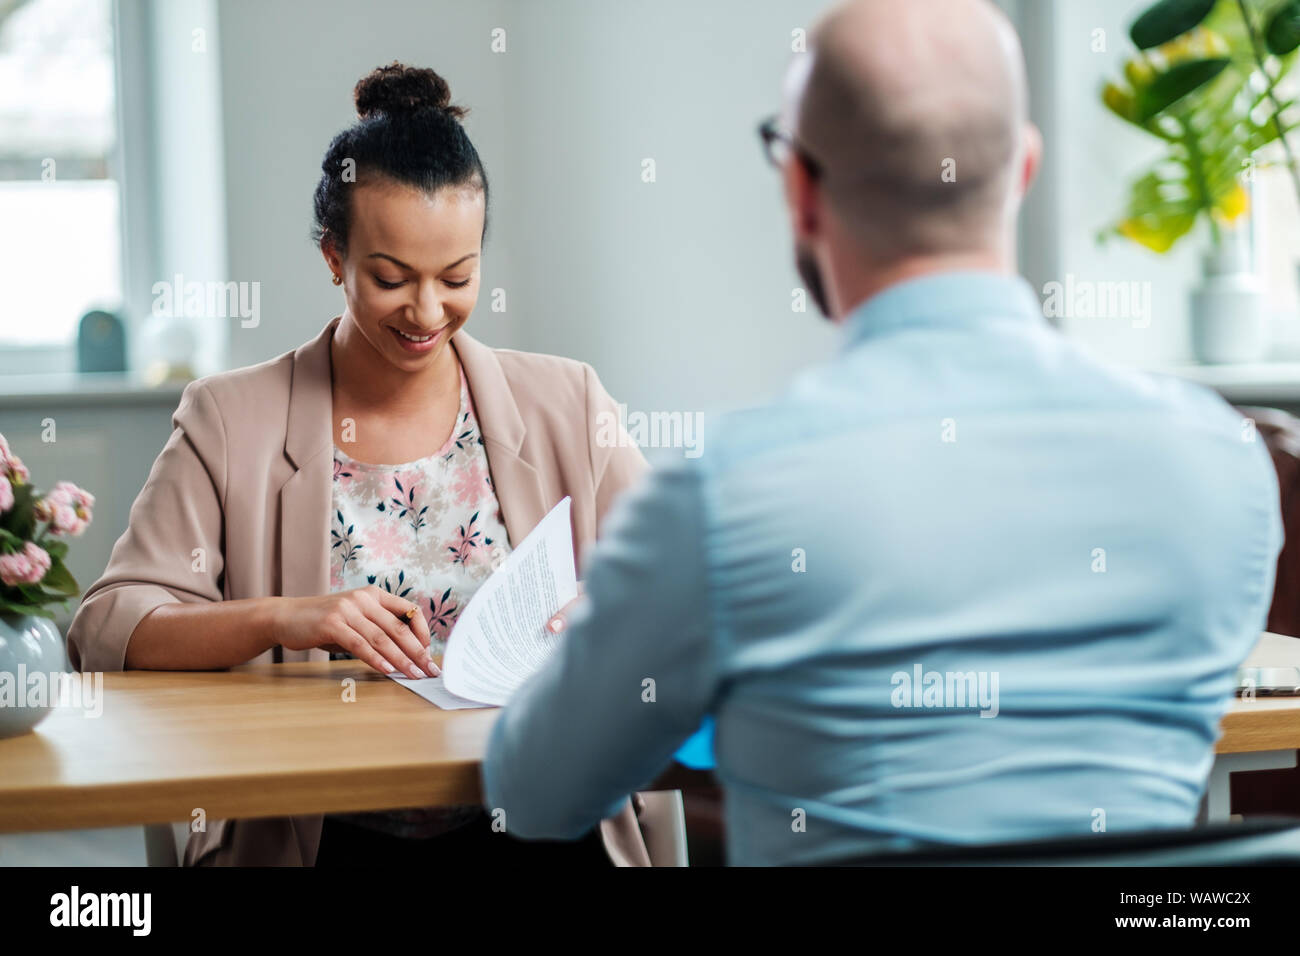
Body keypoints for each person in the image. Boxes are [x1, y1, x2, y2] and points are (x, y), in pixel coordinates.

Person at [481, 0, 1283, 865]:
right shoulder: (1225, 468)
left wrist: (644, 638)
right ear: (1023, 169)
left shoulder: (721, 500)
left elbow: (534, 796)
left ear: (800, 191)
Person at [66, 63, 679, 867]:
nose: (428, 313)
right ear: (333, 257)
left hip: (543, 814)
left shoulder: (566, 401)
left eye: (457, 278)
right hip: (328, 835)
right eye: (392, 279)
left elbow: (682, 584)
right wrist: (290, 617)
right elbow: (104, 627)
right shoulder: (231, 418)